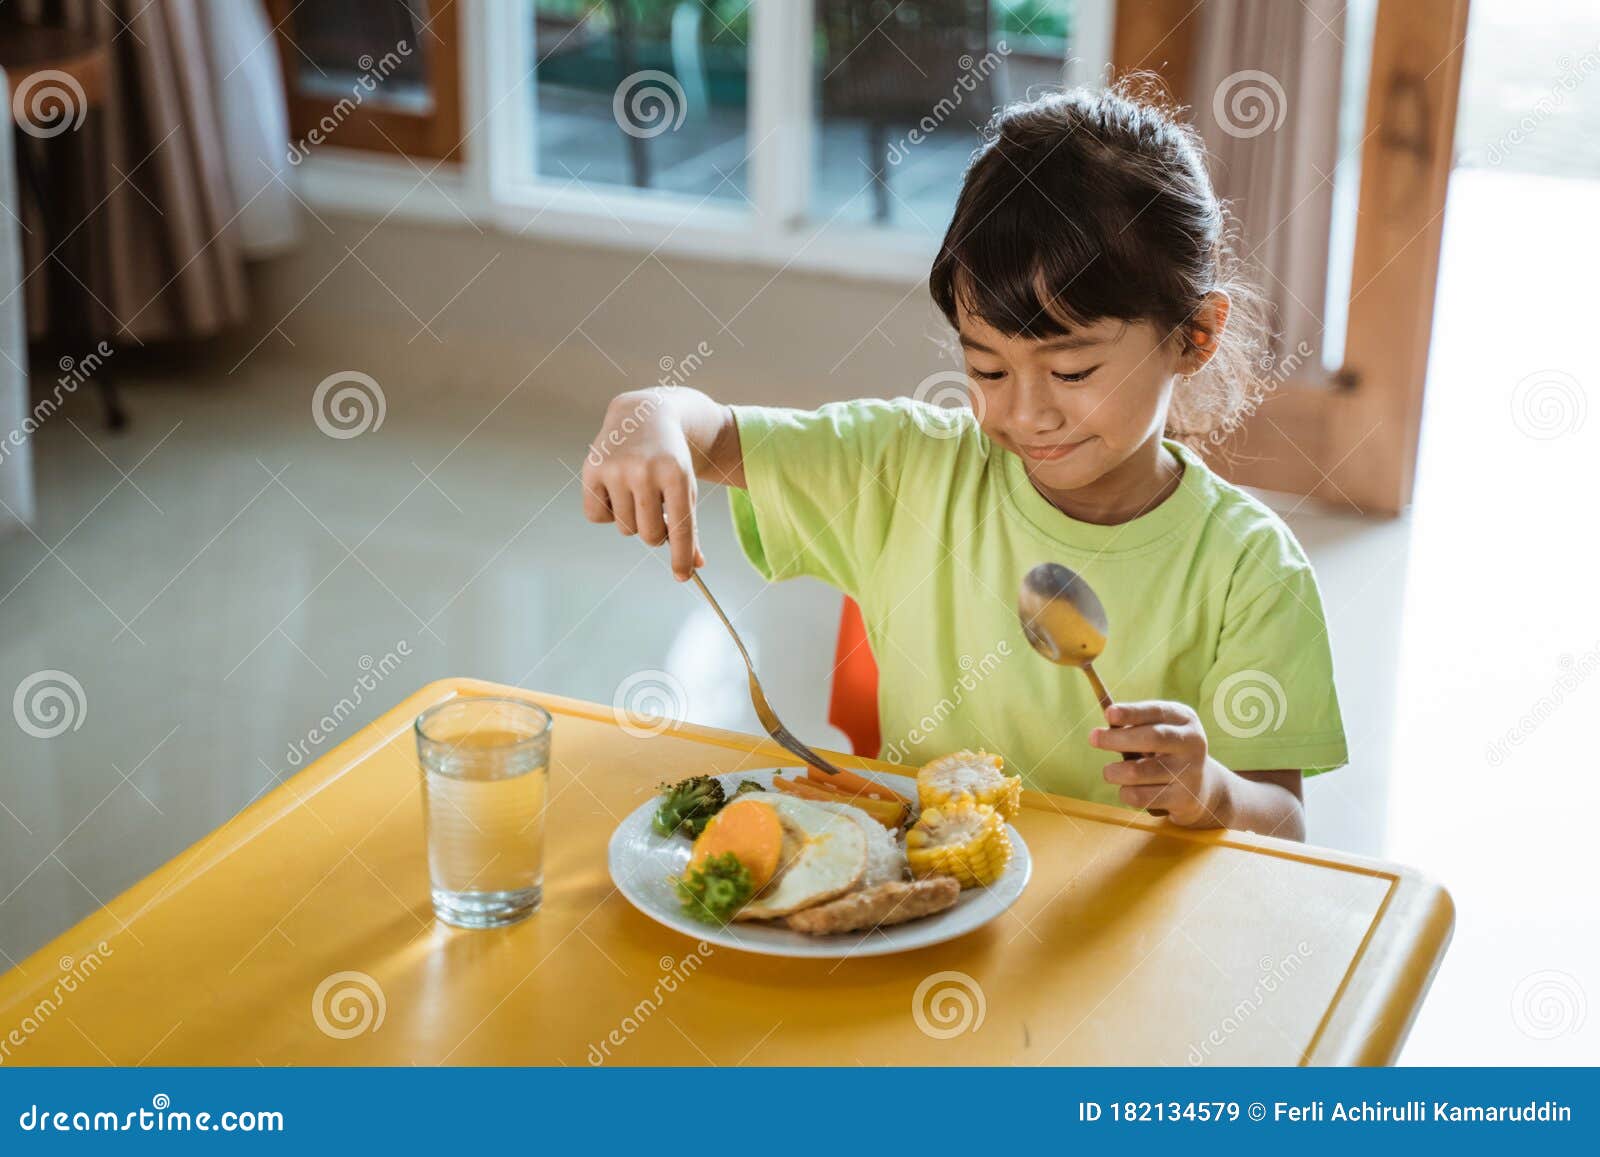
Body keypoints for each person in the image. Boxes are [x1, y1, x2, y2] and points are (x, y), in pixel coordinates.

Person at [583, 84, 1346, 841]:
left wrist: (1208, 790)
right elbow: (704, 431)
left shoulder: (1252, 568)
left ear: (1196, 333)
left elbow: (1283, 826)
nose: (1025, 413)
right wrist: (646, 416)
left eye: (1072, 372)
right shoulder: (907, 470)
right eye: (987, 370)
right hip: (919, 909)